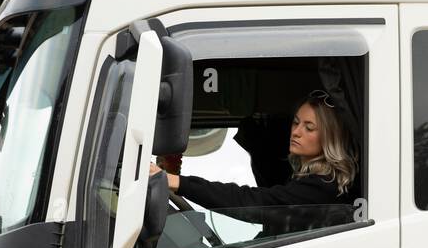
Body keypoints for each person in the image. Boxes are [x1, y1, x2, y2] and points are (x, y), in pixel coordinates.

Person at [150, 90, 357, 220]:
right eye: (296, 123)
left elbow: (258, 203)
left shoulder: (323, 187)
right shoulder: (301, 178)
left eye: (309, 128)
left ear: (329, 138)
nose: (296, 132)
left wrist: (177, 182)